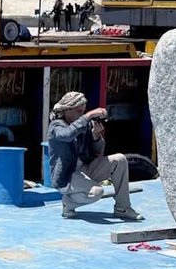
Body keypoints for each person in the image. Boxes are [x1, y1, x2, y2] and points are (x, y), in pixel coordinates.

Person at [46, 91, 140, 220]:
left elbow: (97, 151)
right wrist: (88, 116)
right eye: (79, 111)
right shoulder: (56, 126)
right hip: (67, 175)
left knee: (119, 159)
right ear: (67, 110)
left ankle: (122, 207)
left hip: (85, 168)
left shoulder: (83, 125)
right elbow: (66, 135)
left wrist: (96, 136)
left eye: (84, 111)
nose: (82, 115)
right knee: (97, 192)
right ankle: (69, 203)